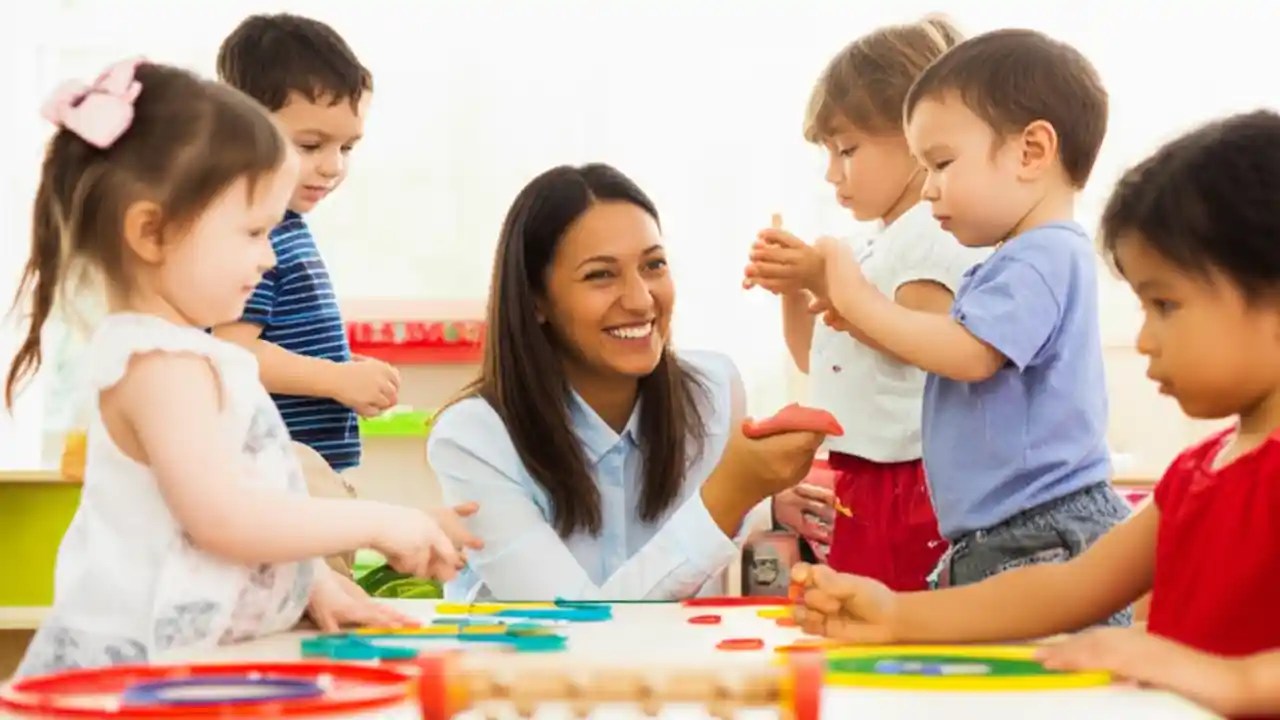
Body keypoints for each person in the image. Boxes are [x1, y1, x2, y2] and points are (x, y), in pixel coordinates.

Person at [791, 109, 1280, 720]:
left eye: (1166, 304)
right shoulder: (1194, 477)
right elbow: (1068, 588)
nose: (1146, 339)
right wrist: (897, 612)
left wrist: (1226, 681)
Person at [4, 60, 477, 675]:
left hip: (191, 670)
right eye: (255, 232)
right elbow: (226, 519)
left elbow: (250, 502)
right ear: (152, 233)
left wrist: (315, 586)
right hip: (130, 677)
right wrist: (382, 521)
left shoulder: (199, 359)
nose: (269, 259)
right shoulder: (158, 368)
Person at [806, 30, 1129, 610]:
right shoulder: (1018, 257)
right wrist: (860, 317)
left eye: (942, 163)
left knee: (1036, 696)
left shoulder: (1045, 253)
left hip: (1041, 531)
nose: (928, 188)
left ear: (1032, 152)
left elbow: (970, 353)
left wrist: (858, 299)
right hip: (1008, 532)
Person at [428, 164, 834, 601]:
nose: (641, 300)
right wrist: (731, 493)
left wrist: (763, 503)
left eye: (653, 265)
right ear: (536, 301)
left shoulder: (714, 391)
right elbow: (576, 624)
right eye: (600, 275)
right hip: (528, 671)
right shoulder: (473, 439)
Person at [745, 15, 987, 589]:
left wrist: (828, 284)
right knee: (859, 609)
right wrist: (796, 288)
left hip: (913, 480)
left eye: (847, 150)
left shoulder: (931, 234)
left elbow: (926, 346)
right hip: (862, 476)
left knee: (895, 611)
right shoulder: (867, 248)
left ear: (915, 138)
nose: (833, 173)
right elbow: (814, 358)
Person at [212, 13, 398, 474]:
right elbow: (232, 354)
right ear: (239, 129)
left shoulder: (285, 222)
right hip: (273, 478)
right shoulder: (251, 231)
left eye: (346, 148)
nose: (333, 167)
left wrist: (342, 367)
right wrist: (334, 377)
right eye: (311, 145)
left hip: (308, 474)